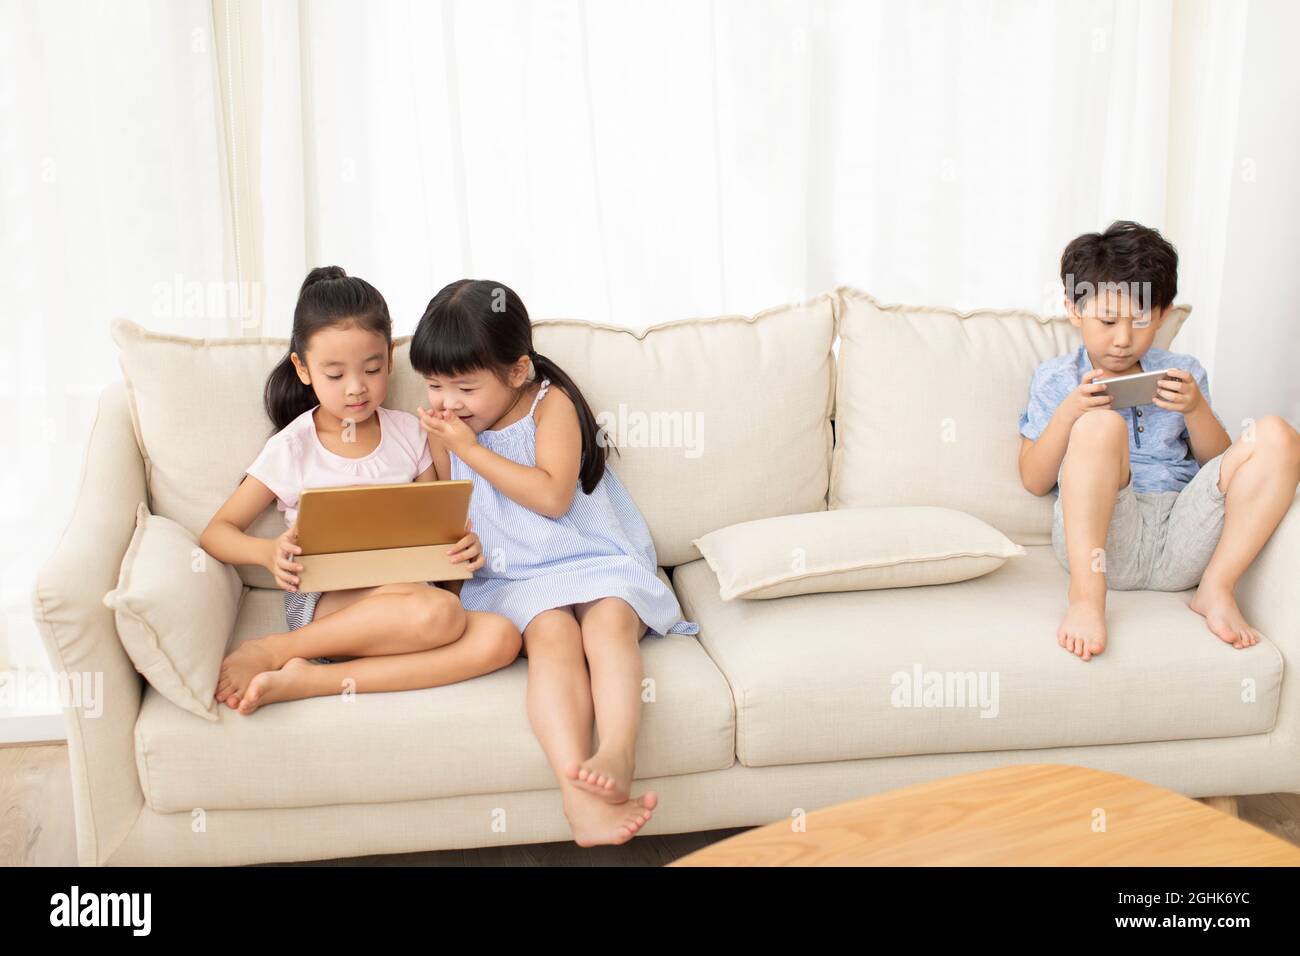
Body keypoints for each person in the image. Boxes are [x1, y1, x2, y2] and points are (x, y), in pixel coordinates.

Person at [410, 278, 700, 845]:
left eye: (464, 386)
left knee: (609, 619)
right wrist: (457, 549)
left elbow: (552, 497)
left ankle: (616, 752)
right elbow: (449, 516)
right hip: (514, 573)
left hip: (591, 555)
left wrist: (470, 450)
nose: (446, 402)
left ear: (517, 370)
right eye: (434, 385)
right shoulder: (444, 430)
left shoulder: (550, 405)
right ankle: (579, 799)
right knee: (551, 635)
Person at [199, 266, 520, 713]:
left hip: (415, 600)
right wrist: (266, 552)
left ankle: (314, 679)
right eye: (335, 375)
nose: (356, 389)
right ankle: (276, 649)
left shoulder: (410, 431)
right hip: (330, 606)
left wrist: (459, 550)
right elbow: (216, 532)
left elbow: (436, 530)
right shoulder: (293, 447)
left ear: (389, 359)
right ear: (303, 369)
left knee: (502, 637)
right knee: (439, 613)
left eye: (372, 369)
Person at [1018, 221, 1300, 661]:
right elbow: (1034, 479)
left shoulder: (1182, 371)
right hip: (1105, 540)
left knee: (1278, 435)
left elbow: (1220, 464)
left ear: (1164, 314)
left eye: (1141, 321)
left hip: (1183, 533)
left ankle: (1217, 588)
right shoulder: (1056, 379)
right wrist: (1071, 413)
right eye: (1108, 321)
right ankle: (1087, 599)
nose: (1124, 338)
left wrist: (1195, 410)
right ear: (1074, 310)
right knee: (1100, 426)